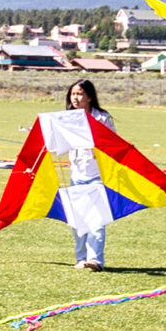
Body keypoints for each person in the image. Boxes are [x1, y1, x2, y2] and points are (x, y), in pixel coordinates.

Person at [65, 79, 114, 271]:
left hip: (96, 175)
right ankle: (81, 258)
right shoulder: (67, 118)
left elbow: (112, 145)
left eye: (80, 94)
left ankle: (95, 259)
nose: (76, 98)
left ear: (90, 97)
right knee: (78, 219)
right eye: (73, 94)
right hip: (76, 174)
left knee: (96, 218)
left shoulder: (102, 118)